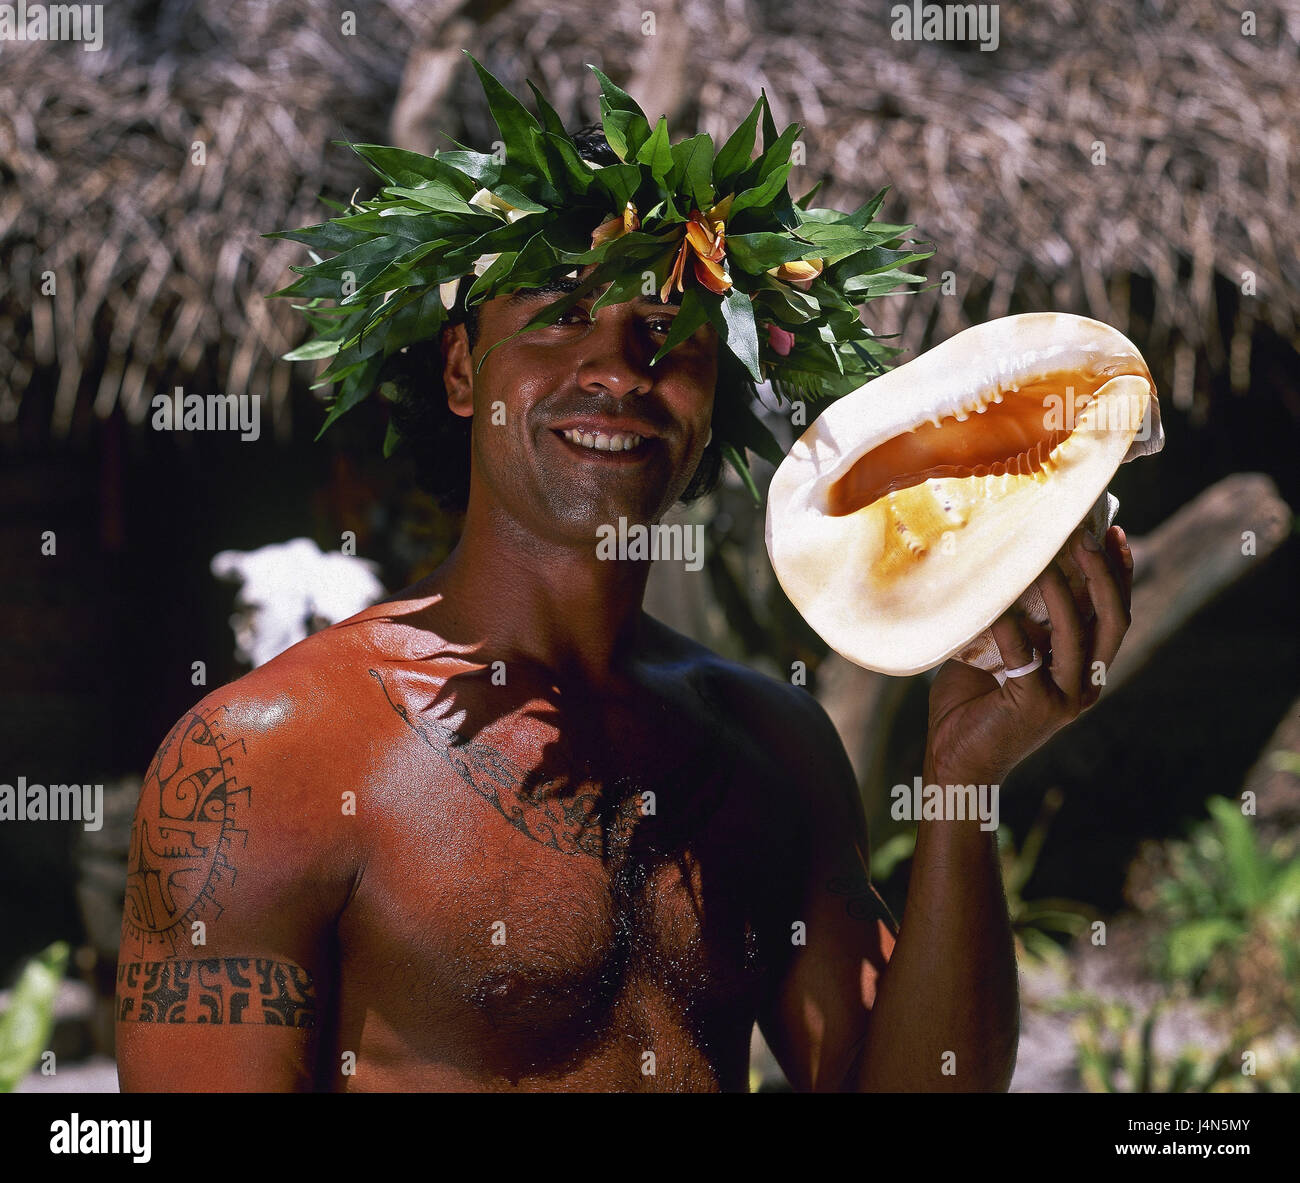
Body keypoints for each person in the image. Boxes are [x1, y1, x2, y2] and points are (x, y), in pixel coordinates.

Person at [115, 77, 1135, 1093]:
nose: (616, 367)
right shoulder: (269, 758)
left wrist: (963, 782)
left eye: (665, 328)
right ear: (464, 370)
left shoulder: (772, 746)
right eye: (560, 316)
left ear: (711, 395)